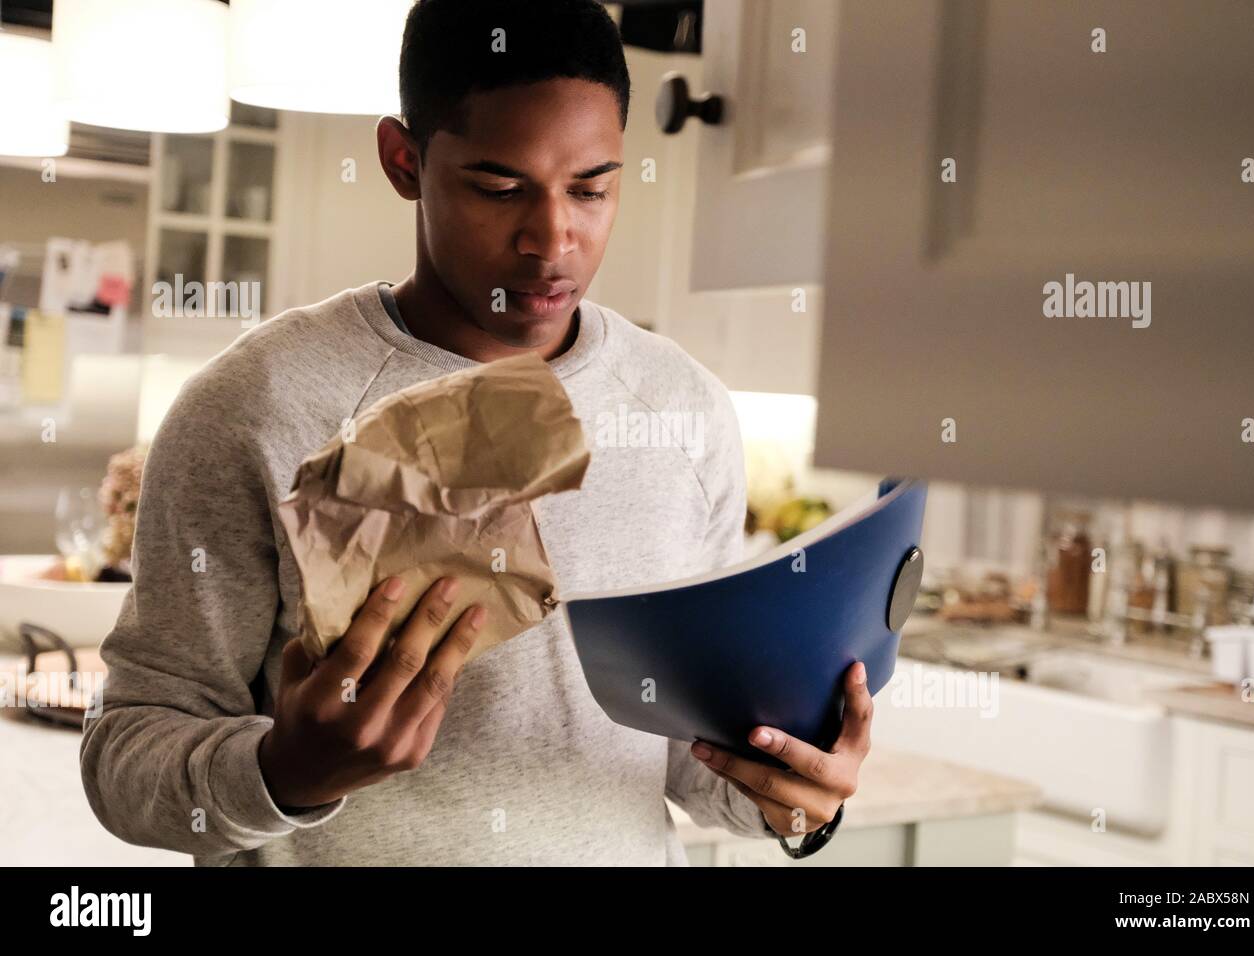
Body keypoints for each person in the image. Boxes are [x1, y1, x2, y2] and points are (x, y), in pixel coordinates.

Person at [80, 0, 869, 866]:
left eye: (592, 188)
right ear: (403, 160)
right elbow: (127, 755)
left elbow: (690, 757)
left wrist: (797, 795)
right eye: (500, 188)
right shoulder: (253, 404)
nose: (551, 238)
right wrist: (286, 772)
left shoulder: (684, 407)